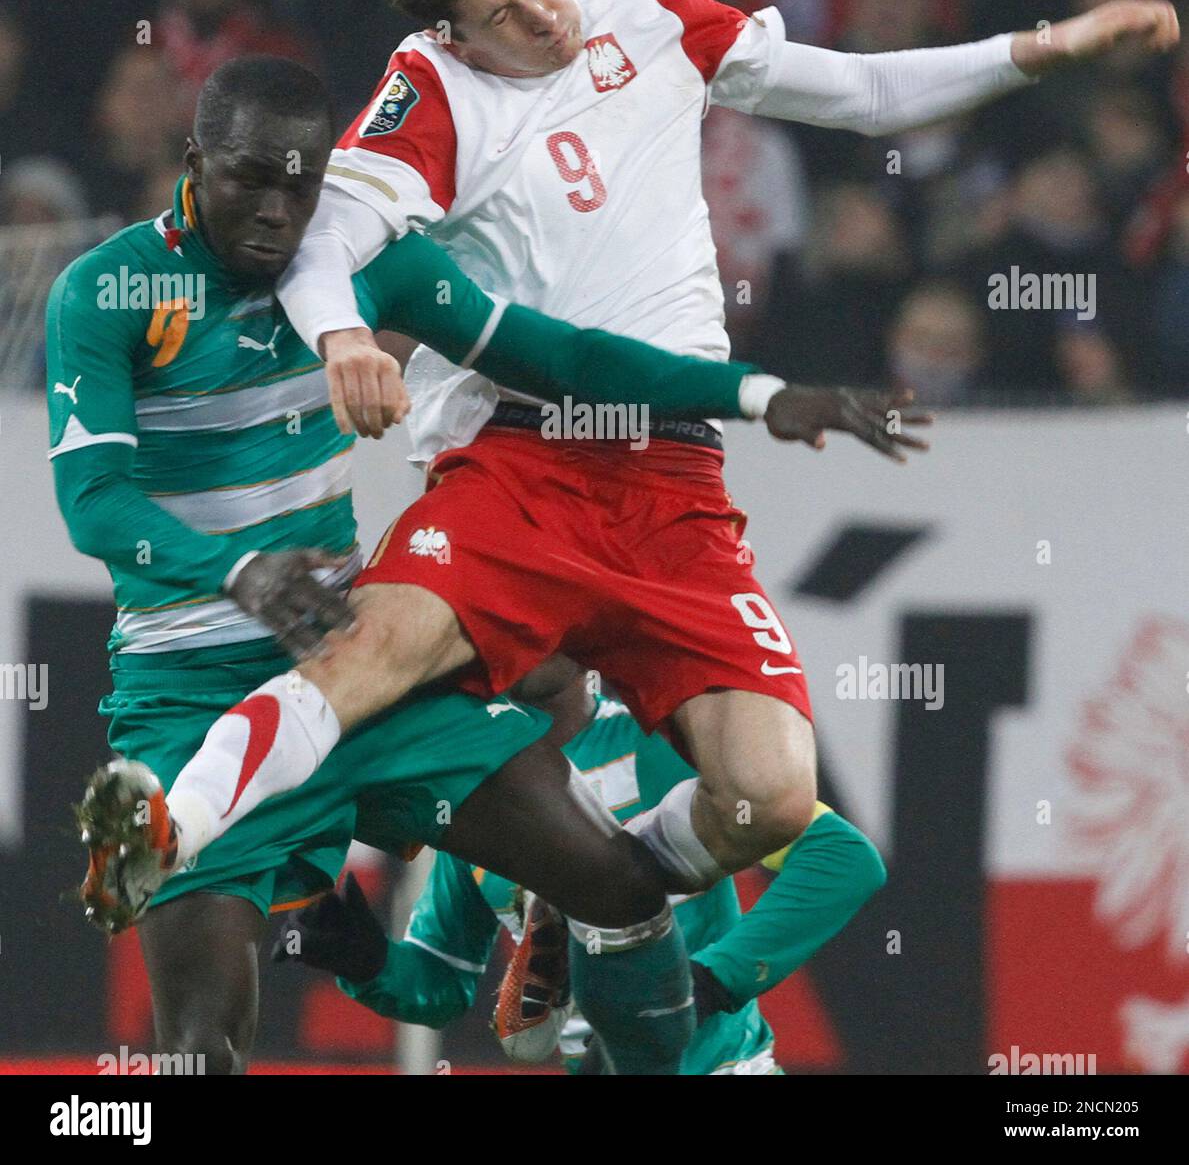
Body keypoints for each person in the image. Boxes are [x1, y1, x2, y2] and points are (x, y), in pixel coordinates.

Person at [90, 0, 1173, 991]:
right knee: (362, 655)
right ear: (448, 32)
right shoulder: (429, 90)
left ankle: (595, 890)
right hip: (518, 463)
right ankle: (170, 824)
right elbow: (329, 236)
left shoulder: (643, 8)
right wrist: (341, 340)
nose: (543, 16)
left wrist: (1047, 46)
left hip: (673, 484)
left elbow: (860, 91)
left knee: (771, 795)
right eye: (503, 14)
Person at [57, 55, 906, 1073]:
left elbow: (570, 360)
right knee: (203, 1055)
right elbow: (96, 502)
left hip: (363, 680)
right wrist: (238, 572)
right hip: (191, 690)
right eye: (250, 178)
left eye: (303, 183)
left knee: (619, 887)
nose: (279, 211)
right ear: (193, 160)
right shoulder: (107, 292)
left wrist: (757, 394)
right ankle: (169, 828)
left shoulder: (372, 268)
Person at [274, 671, 887, 1076]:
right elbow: (443, 983)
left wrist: (702, 982)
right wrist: (367, 962)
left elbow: (840, 857)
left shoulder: (663, 742)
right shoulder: (471, 786)